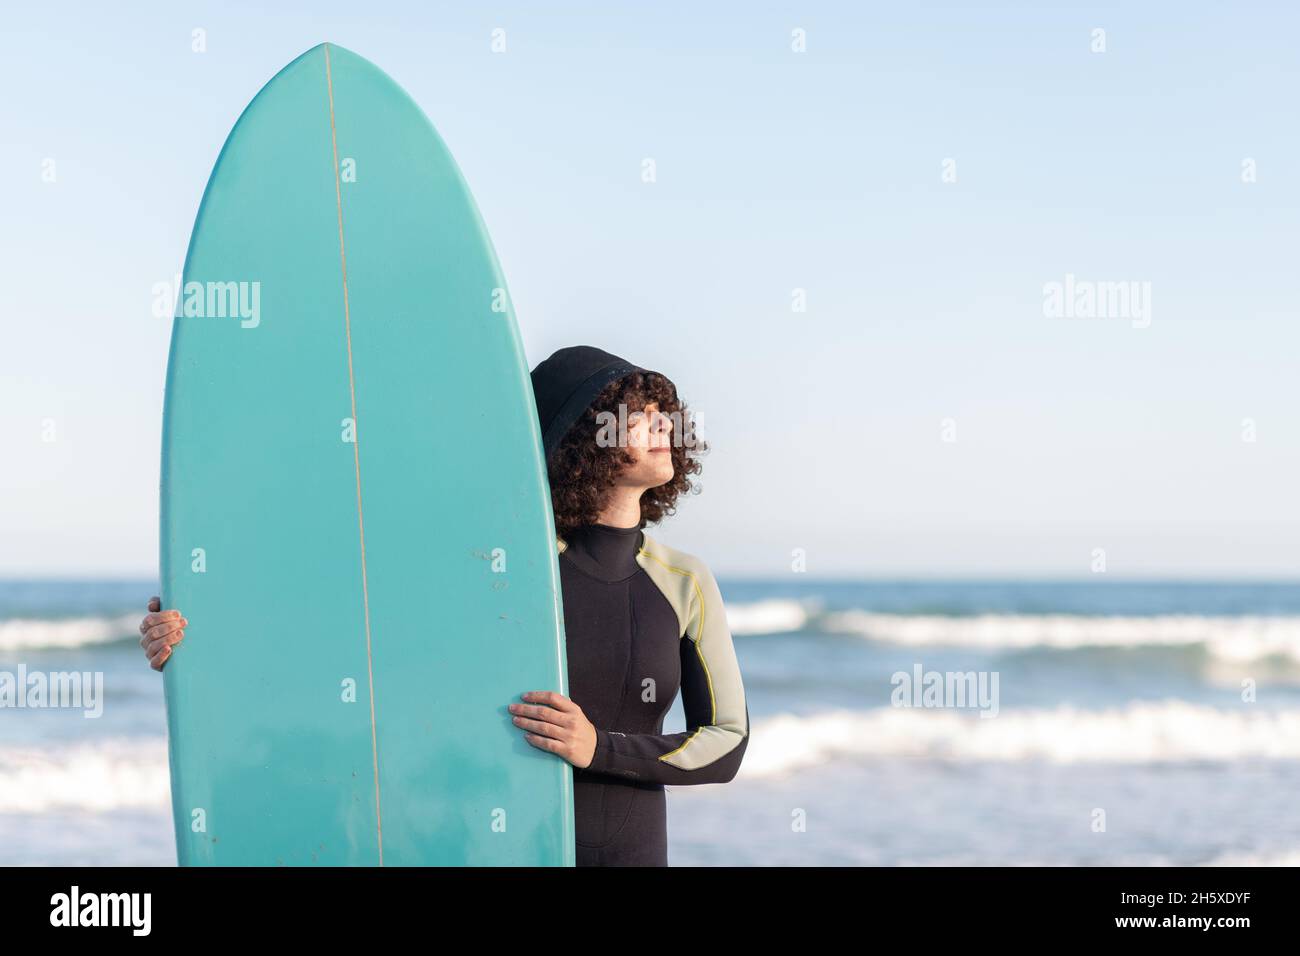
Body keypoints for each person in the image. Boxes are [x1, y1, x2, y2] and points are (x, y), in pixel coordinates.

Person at [139, 345, 750, 866]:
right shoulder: (504, 572)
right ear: (579, 439)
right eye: (635, 417)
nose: (662, 426)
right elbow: (351, 644)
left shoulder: (684, 581)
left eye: (663, 415)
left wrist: (599, 748)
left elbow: (727, 742)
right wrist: (199, 634)